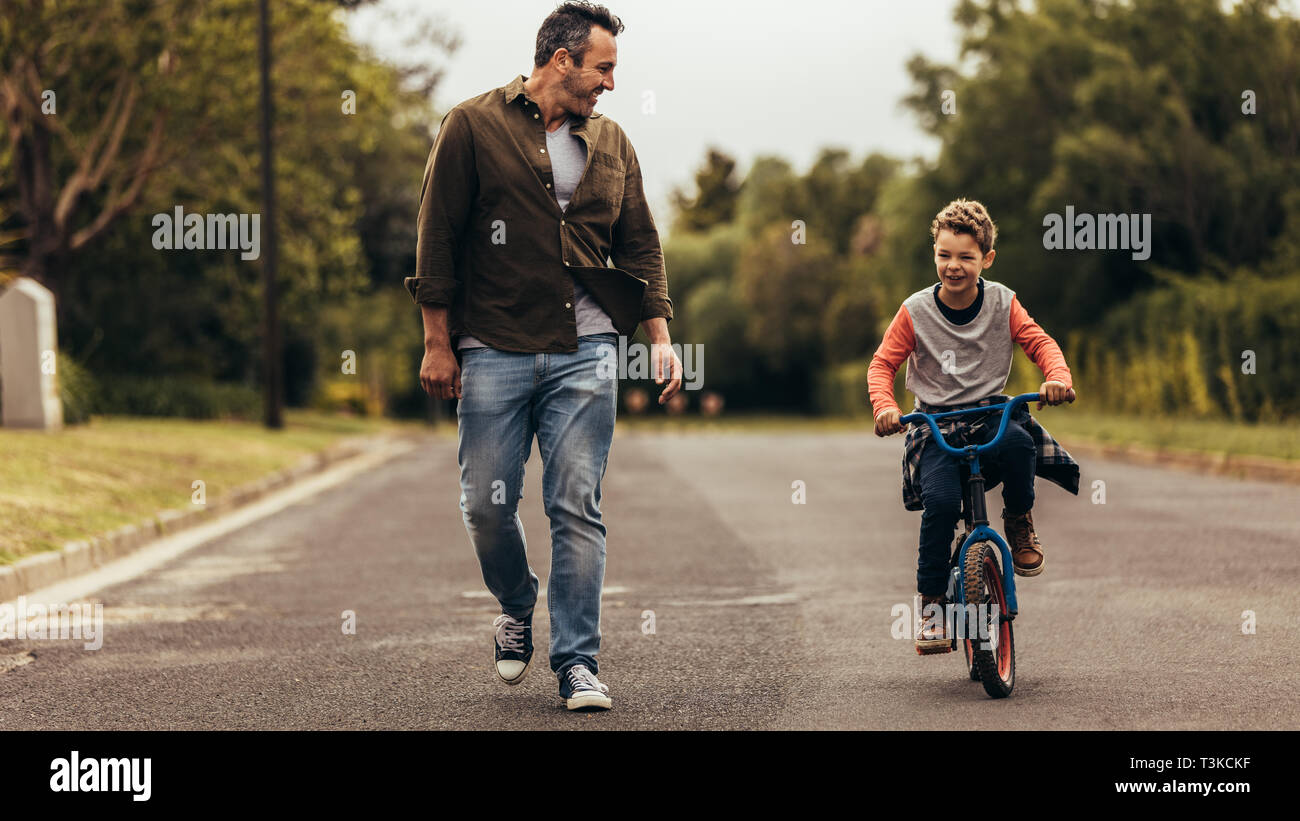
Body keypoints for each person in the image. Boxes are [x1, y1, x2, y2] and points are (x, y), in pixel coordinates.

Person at [405, 2, 682, 710]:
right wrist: (438, 343)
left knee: (576, 506)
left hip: (587, 349)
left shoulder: (612, 141)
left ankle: (578, 662)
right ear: (562, 60)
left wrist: (658, 337)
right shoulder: (472, 125)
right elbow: (437, 237)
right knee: (484, 505)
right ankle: (517, 602)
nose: (611, 85)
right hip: (493, 345)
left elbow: (640, 243)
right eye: (604, 68)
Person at [868, 199, 1080, 654]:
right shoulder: (915, 311)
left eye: (966, 257)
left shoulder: (1003, 301)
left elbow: (1037, 341)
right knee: (941, 505)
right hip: (935, 421)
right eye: (945, 255)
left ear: (987, 259)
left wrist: (1057, 377)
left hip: (989, 413)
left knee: (1021, 445)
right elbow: (882, 364)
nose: (954, 266)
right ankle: (931, 606)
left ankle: (1018, 520)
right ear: (934, 254)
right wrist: (885, 407)